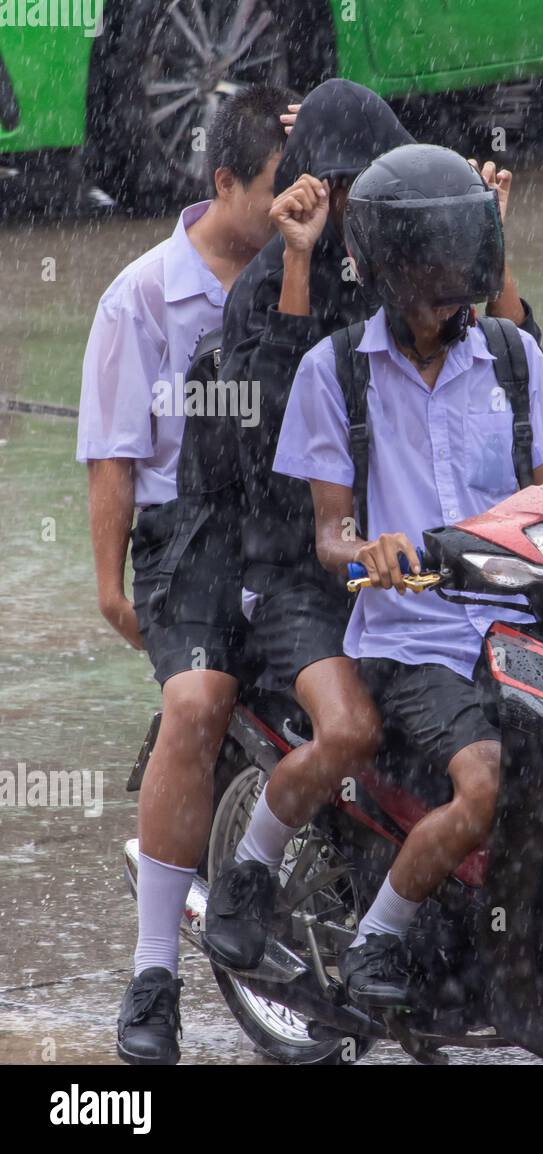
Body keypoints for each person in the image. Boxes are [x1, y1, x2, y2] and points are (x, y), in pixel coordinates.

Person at [269, 143, 543, 1005]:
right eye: (429, 268)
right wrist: (369, 551)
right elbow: (329, 532)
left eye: (459, 264)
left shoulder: (510, 357)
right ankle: (378, 937)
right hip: (414, 639)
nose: (449, 288)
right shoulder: (333, 375)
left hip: (524, 625)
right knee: (486, 783)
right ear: (385, 269)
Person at [201, 81, 542, 972]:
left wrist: (486, 244)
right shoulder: (272, 283)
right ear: (309, 185)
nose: (357, 204)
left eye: (372, 185)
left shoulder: (416, 265)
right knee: (348, 729)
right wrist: (304, 263)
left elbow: (520, 384)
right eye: (340, 185)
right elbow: (268, 439)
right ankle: (247, 874)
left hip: (424, 564)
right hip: (300, 567)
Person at [76, 84, 297, 1064]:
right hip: (186, 532)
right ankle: (155, 969)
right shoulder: (142, 296)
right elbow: (115, 459)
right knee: (198, 701)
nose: (299, 208)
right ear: (222, 183)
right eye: (279, 191)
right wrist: (112, 583)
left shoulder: (313, 271)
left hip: (295, 523)